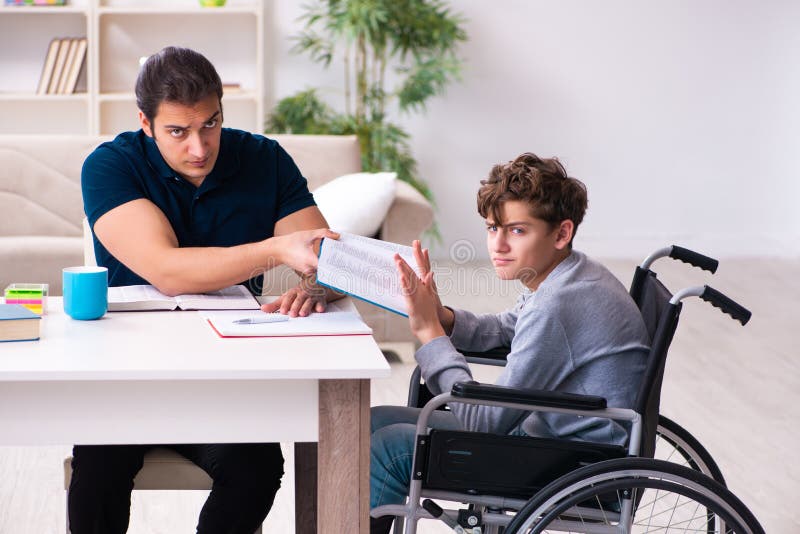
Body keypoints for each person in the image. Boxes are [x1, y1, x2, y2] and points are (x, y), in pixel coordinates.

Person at [73, 46, 341, 534]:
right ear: (145, 123)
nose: (199, 148)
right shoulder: (110, 166)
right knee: (97, 473)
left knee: (257, 468)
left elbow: (324, 255)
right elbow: (168, 270)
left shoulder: (264, 159)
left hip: (228, 376)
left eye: (210, 125)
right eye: (178, 131)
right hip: (129, 377)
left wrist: (319, 283)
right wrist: (277, 250)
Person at [369, 153, 651, 533]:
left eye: (517, 230)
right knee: (370, 423)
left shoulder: (557, 303)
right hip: (555, 437)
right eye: (491, 228)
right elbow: (506, 329)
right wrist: (442, 316)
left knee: (388, 450)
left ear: (561, 233)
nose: (498, 245)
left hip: (574, 464)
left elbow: (485, 423)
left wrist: (427, 332)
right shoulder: (568, 274)